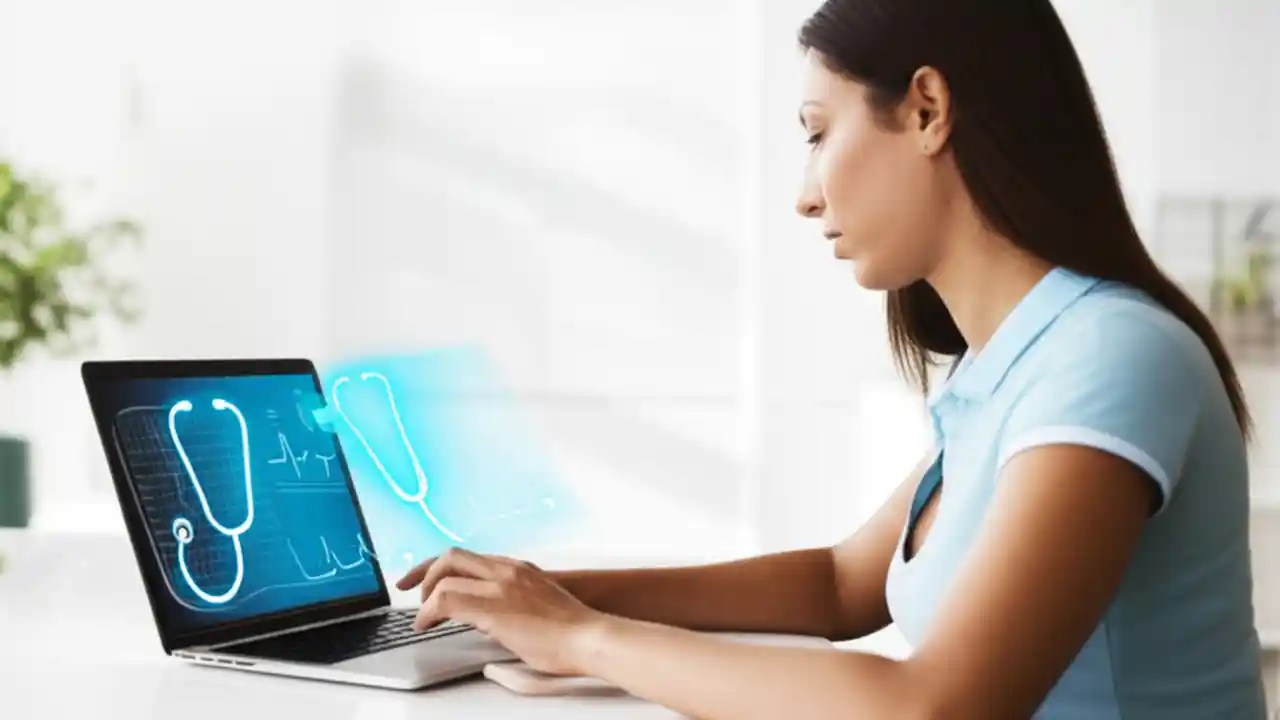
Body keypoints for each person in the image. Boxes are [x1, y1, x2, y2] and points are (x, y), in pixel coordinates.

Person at [396, 1, 1267, 717]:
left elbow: (938, 707)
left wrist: (583, 640)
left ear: (926, 111)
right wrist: (555, 597)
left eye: (818, 133)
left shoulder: (1111, 355)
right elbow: (843, 584)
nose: (806, 196)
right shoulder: (1007, 367)